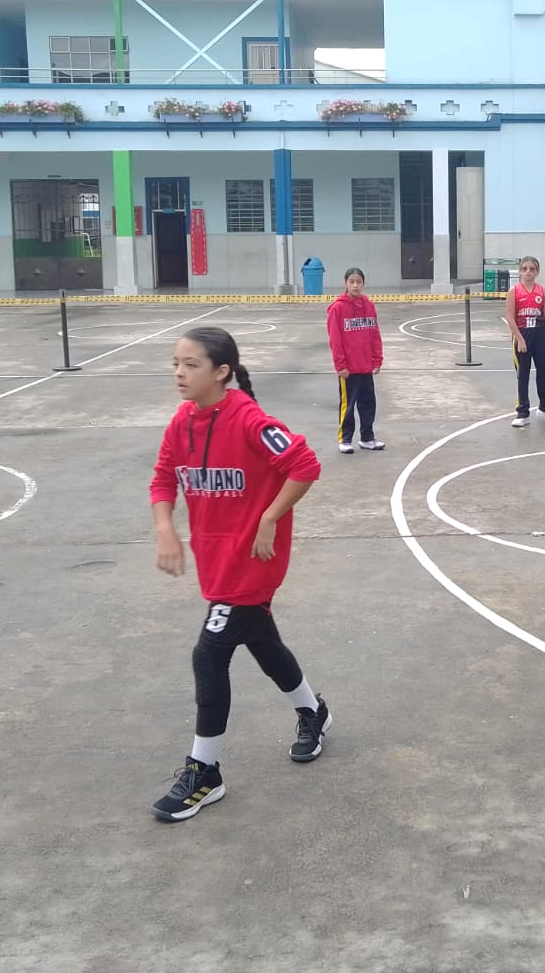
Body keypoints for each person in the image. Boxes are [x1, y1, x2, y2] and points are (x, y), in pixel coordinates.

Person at [147, 326, 331, 822]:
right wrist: (166, 528)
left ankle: (204, 772)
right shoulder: (182, 423)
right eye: (176, 364)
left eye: (191, 365)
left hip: (254, 561)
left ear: (221, 372)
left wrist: (269, 518)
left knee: (209, 656)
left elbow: (305, 465)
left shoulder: (250, 420)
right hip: (217, 562)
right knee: (262, 643)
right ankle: (313, 712)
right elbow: (163, 479)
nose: (179, 374)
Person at [326, 266, 384, 454]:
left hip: (366, 366)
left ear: (364, 284)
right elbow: (335, 340)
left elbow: (374, 334)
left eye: (359, 282)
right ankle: (345, 438)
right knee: (348, 405)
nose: (355, 285)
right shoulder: (337, 309)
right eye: (352, 281)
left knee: (368, 403)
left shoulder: (369, 306)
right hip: (348, 369)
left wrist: (377, 359)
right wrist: (340, 365)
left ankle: (367, 437)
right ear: (345, 284)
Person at [504, 255, 545, 427]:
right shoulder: (514, 291)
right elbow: (510, 317)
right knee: (523, 375)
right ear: (520, 271)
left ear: (537, 272)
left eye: (532, 269)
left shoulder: (542, 291)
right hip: (522, 335)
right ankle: (522, 412)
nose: (528, 272)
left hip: (540, 335)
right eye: (524, 269)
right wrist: (520, 339)